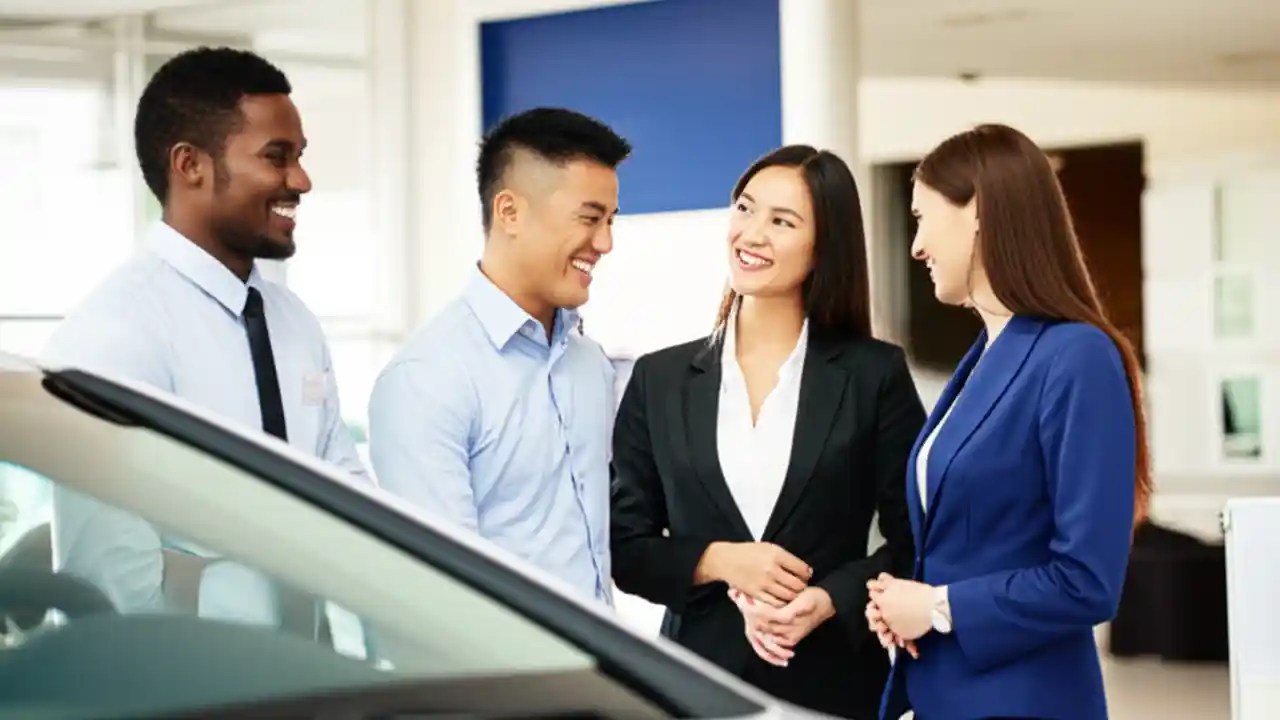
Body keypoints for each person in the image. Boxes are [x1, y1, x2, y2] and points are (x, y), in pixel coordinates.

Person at [42, 47, 368, 617]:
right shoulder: (111, 335)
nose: (302, 180)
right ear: (190, 165)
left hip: (311, 681)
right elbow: (110, 586)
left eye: (299, 156)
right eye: (277, 156)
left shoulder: (292, 321)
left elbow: (347, 500)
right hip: (190, 686)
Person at [611, 145, 923, 719]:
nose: (751, 234)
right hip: (694, 686)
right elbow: (627, 549)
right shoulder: (659, 379)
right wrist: (722, 561)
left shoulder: (873, 374)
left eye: (781, 221)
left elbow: (917, 542)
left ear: (823, 246)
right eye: (745, 209)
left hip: (831, 686)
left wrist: (830, 599)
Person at [866, 124, 1151, 720]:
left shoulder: (1076, 356)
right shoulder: (981, 360)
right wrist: (904, 602)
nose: (916, 246)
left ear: (979, 214)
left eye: (922, 218)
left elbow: (1088, 579)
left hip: (1025, 700)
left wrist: (939, 606)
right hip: (945, 696)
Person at [368, 107, 630, 606]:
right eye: (590, 218)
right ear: (509, 212)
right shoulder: (428, 378)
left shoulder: (589, 364)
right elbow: (440, 590)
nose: (605, 243)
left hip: (597, 671)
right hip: (505, 677)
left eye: (611, 220)